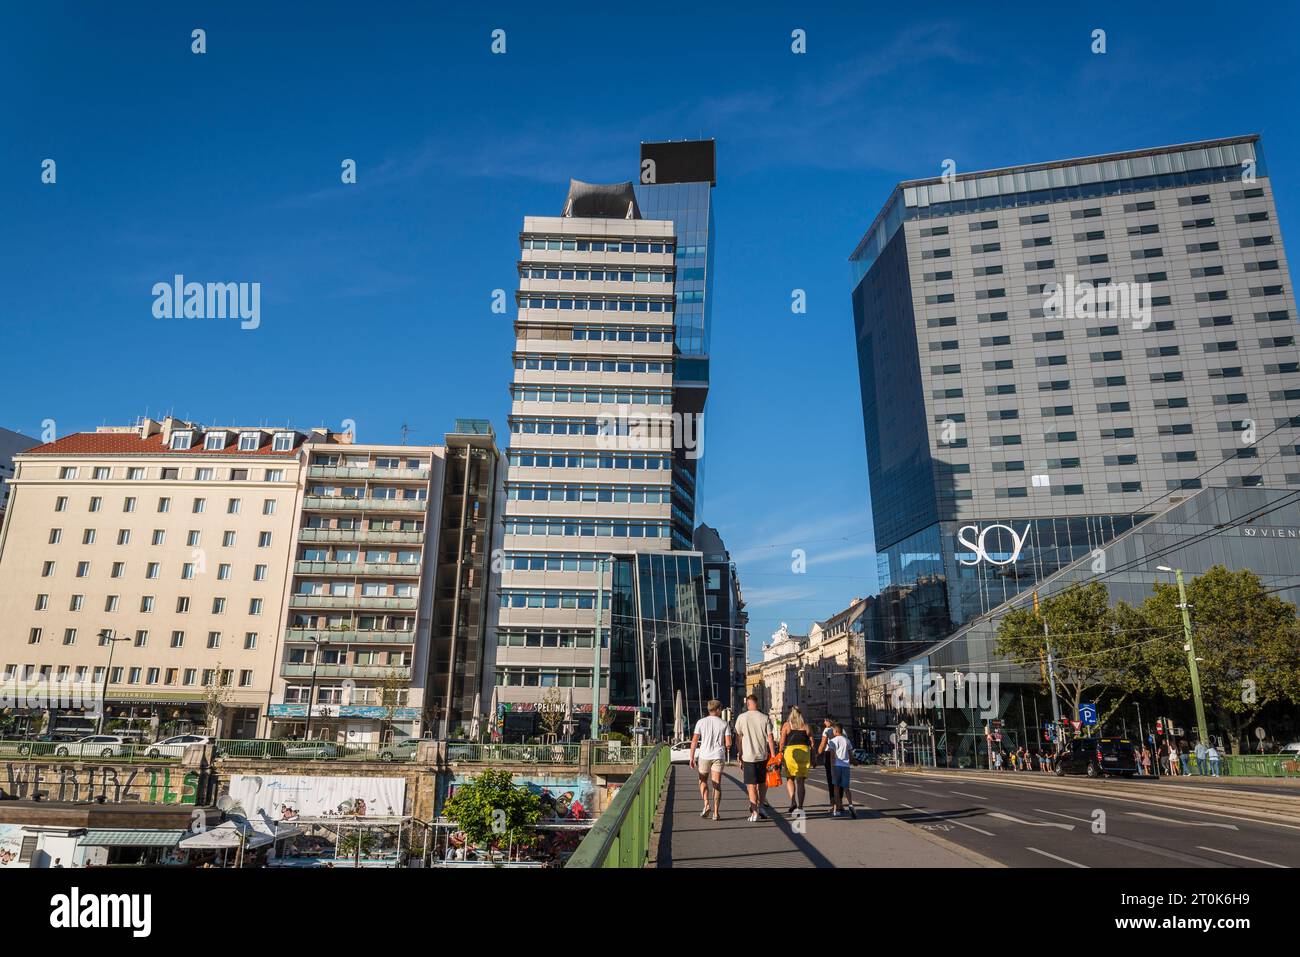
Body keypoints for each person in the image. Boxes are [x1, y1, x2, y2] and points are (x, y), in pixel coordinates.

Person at [734, 695, 776, 823]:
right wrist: (773, 756)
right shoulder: (765, 718)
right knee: (762, 783)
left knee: (751, 785)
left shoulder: (741, 718)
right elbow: (770, 738)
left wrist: (740, 753)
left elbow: (738, 737)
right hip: (762, 756)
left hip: (748, 756)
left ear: (748, 704)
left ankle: (755, 812)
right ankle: (761, 806)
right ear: (757, 703)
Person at [689, 699, 732, 822]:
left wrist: (691, 757)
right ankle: (716, 813)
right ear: (718, 710)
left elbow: (694, 741)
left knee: (702, 780)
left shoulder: (701, 722)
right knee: (716, 783)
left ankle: (706, 804)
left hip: (704, 756)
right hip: (718, 756)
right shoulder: (724, 724)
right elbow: (728, 743)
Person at [779, 706, 813, 814]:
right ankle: (801, 807)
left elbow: (782, 742)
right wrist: (814, 757)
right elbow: (812, 743)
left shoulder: (786, 725)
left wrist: (780, 753)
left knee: (790, 778)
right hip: (804, 753)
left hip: (790, 754)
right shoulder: (806, 726)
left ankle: (793, 801)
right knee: (801, 781)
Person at [826, 723, 856, 818]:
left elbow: (832, 757)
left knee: (836, 788)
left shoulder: (832, 741)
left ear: (835, 731)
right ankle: (850, 805)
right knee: (846, 788)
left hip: (837, 766)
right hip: (846, 767)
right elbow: (850, 755)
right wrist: (854, 762)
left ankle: (836, 809)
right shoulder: (847, 741)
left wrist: (832, 768)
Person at [816, 716, 836, 809]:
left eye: (825, 720)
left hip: (829, 754)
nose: (824, 722)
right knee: (838, 780)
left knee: (830, 779)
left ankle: (833, 803)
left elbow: (823, 744)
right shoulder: (840, 730)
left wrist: (816, 755)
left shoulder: (827, 730)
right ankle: (839, 802)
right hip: (839, 756)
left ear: (828, 722)